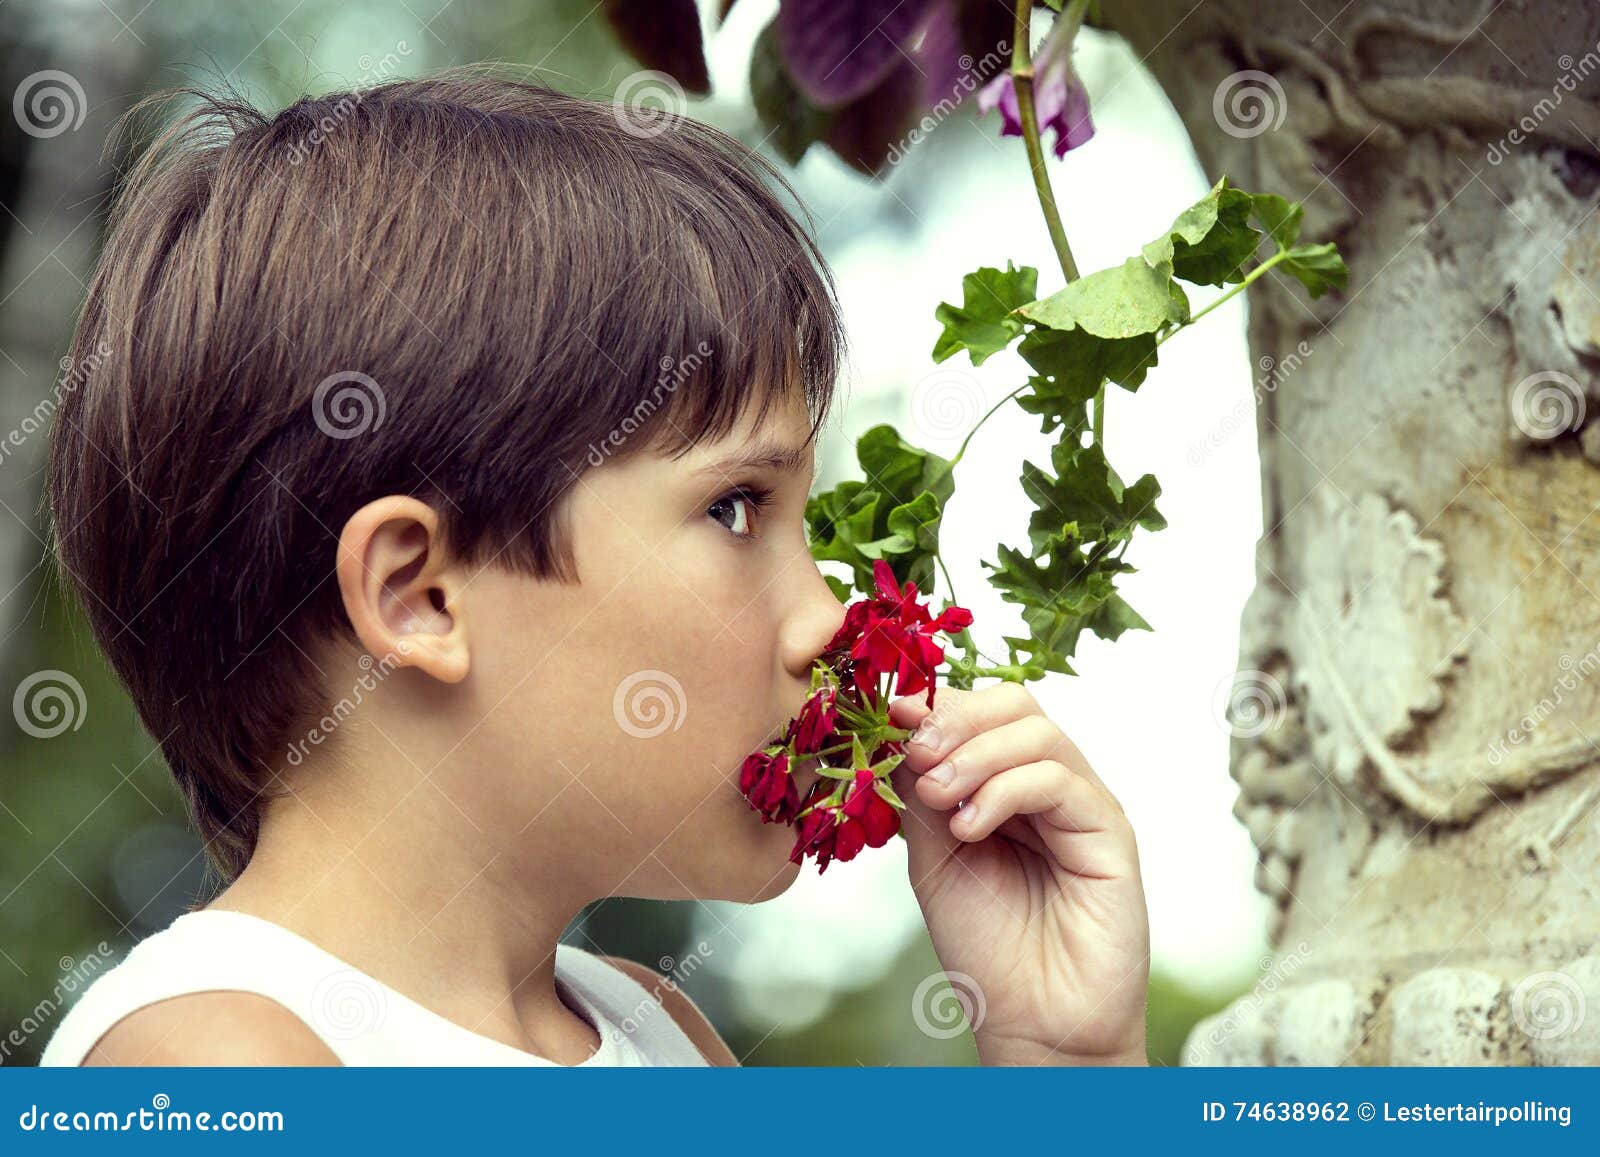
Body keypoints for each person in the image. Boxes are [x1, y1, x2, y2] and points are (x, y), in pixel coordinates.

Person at [38, 70, 1149, 1067]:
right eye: (733, 506)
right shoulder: (218, 1058)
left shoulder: (657, 1034)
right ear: (418, 594)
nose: (827, 620)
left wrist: (1062, 1060)